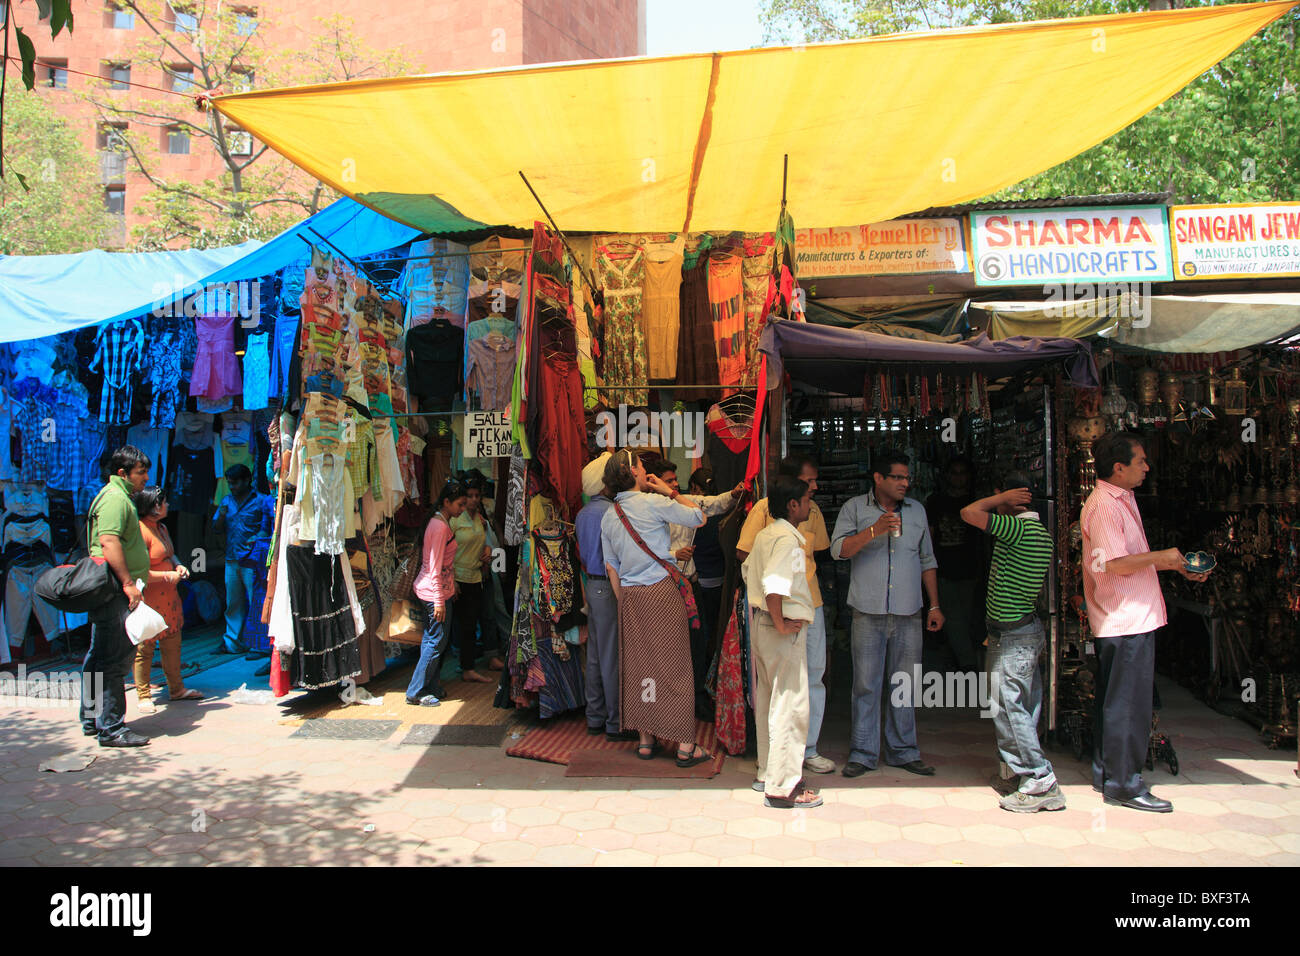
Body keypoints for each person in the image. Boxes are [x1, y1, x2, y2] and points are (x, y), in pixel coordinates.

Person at [1081, 432, 1208, 812]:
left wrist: (1175, 565)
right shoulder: (1104, 505)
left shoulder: (1122, 499)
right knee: (1128, 706)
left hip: (1130, 617)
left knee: (1117, 702)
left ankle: (1109, 773)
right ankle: (1124, 785)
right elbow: (1114, 564)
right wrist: (1161, 557)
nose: (1147, 468)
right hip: (1125, 619)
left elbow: (1128, 557)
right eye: (1140, 462)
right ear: (1118, 468)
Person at [831, 450, 942, 778]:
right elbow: (838, 551)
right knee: (866, 684)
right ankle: (863, 752)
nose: (905, 483)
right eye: (897, 477)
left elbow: (928, 560)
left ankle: (903, 751)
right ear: (878, 478)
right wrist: (873, 531)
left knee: (904, 685)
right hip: (868, 612)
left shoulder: (918, 511)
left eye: (907, 478)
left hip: (909, 612)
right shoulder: (855, 508)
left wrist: (934, 605)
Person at [599, 448, 711, 767]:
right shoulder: (653, 502)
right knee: (675, 668)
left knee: (642, 669)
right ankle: (685, 745)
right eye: (639, 463)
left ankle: (647, 740)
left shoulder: (610, 515)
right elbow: (698, 517)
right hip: (661, 592)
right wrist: (670, 491)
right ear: (634, 473)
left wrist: (625, 603)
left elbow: (611, 567)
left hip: (630, 597)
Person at [960, 471, 1061, 811]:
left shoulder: (1018, 529)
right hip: (1019, 632)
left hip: (1014, 636)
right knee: (1018, 707)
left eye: (1000, 495)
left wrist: (999, 500)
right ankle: (1018, 773)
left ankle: (1040, 779)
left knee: (1008, 707)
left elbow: (969, 513)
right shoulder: (1040, 533)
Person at [736, 455, 834, 775]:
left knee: (773, 696)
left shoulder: (772, 534)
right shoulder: (783, 536)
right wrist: (779, 621)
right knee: (788, 699)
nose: (813, 496)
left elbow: (752, 568)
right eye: (807, 492)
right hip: (782, 619)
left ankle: (769, 770)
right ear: (793, 502)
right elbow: (775, 583)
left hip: (771, 617)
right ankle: (785, 780)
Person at [647, 458, 743, 721]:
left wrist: (734, 495)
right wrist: (673, 554)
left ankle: (696, 698)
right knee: (669, 649)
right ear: (653, 483)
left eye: (675, 480)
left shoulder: (684, 501)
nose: (674, 485)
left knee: (698, 643)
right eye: (669, 481)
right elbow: (641, 551)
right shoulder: (647, 511)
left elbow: (713, 504)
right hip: (664, 586)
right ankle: (668, 705)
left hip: (690, 584)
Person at [80, 446, 153, 747]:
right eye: (140, 473)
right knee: (114, 659)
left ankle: (92, 717)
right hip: (114, 589)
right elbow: (108, 542)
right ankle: (111, 727)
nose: (145, 479)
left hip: (112, 588)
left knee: (99, 656)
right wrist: (127, 584)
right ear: (122, 473)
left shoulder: (119, 497)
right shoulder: (114, 499)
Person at [575, 452, 639, 740]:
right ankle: (615, 723)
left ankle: (595, 716)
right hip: (610, 586)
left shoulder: (583, 513)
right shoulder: (611, 512)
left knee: (596, 656)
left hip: (592, 585)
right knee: (612, 656)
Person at [132, 487, 203, 714]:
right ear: (154, 506)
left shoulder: (161, 528)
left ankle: (176, 688)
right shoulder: (140, 532)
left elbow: (169, 554)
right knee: (146, 648)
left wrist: (179, 565)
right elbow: (139, 573)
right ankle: (143, 694)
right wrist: (167, 576)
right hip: (150, 599)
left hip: (169, 599)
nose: (168, 505)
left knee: (172, 643)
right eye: (164, 502)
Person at [406, 480, 467, 707]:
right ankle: (416, 690)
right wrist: (440, 600)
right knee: (435, 641)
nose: (462, 509)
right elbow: (434, 565)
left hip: (436, 591)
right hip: (434, 594)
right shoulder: (440, 527)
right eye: (459, 505)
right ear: (447, 502)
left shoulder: (438, 522)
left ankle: (429, 686)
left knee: (434, 640)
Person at [926, 456, 983, 671]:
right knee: (952, 616)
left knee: (966, 616)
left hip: (969, 567)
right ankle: (969, 663)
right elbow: (929, 535)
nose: (958, 478)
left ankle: (960, 657)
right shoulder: (936, 502)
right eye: (954, 473)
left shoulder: (974, 500)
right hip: (943, 567)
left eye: (962, 473)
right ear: (947, 476)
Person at [212, 464, 268, 655]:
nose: (232, 487)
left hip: (252, 560)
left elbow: (268, 527)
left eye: (235, 483)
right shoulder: (226, 501)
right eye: (230, 483)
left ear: (247, 481)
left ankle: (258, 643)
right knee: (233, 603)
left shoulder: (261, 501)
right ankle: (233, 642)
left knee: (255, 602)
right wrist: (221, 515)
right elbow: (217, 528)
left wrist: (259, 535)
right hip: (232, 558)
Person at [449, 477, 493, 683]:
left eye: (477, 496)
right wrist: (451, 579)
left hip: (475, 577)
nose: (474, 500)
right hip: (457, 578)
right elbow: (445, 550)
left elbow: (484, 542)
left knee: (470, 624)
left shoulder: (480, 519)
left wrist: (486, 550)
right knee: (454, 626)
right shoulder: (455, 520)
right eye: (470, 496)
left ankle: (467, 667)